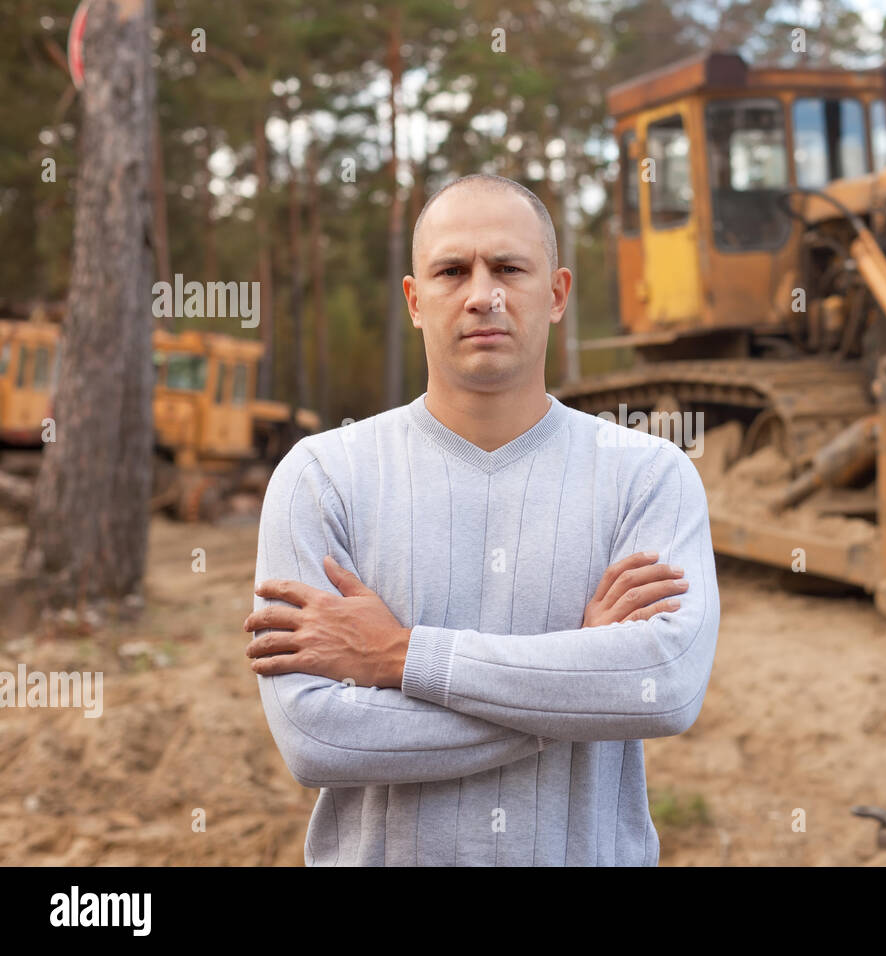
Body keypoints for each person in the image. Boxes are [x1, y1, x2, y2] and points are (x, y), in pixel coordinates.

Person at [242, 173, 720, 866]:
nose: (482, 294)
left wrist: (398, 655)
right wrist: (574, 692)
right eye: (451, 270)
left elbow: (665, 687)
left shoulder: (646, 473)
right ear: (414, 299)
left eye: (508, 268)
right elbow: (318, 740)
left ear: (555, 294)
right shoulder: (322, 477)